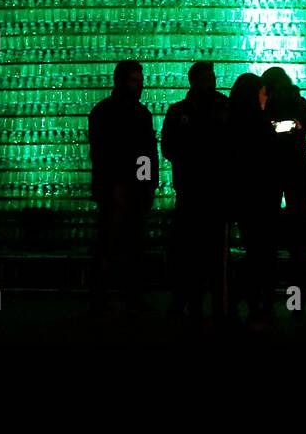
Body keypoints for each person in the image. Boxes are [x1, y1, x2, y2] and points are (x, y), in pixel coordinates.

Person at [88, 59, 159, 313]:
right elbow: (138, 154)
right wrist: (144, 184)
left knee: (120, 244)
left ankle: (107, 297)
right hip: (119, 189)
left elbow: (144, 153)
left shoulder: (106, 112)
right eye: (135, 81)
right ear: (121, 81)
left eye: (140, 81)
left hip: (121, 189)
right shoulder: (132, 113)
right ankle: (122, 297)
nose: (140, 86)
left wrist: (146, 185)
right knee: (120, 243)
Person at [161, 62, 229, 323]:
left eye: (210, 77)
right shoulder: (219, 108)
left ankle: (190, 305)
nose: (209, 82)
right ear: (194, 81)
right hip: (204, 191)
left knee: (192, 252)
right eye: (205, 78)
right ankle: (210, 307)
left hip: (198, 190)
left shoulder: (182, 111)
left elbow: (168, 148)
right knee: (202, 252)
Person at [261, 67, 306, 314]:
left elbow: (264, 129)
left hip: (271, 171)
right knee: (298, 242)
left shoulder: (264, 104)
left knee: (267, 238)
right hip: (297, 170)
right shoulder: (298, 101)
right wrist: (290, 127)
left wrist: (275, 128)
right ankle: (296, 301)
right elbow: (305, 123)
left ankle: (266, 299)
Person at [227, 72, 274, 325]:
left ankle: (238, 301)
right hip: (258, 196)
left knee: (255, 250)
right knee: (259, 252)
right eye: (264, 92)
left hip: (242, 196)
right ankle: (245, 301)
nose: (267, 97)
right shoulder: (257, 123)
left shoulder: (231, 121)